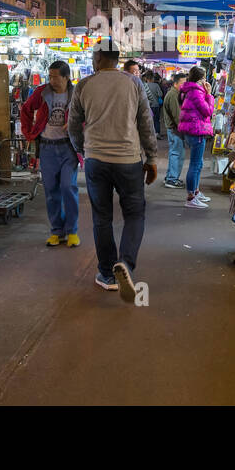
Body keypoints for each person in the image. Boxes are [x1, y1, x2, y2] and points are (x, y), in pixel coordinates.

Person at [68, 41, 158, 302]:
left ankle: (107, 274)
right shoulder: (133, 83)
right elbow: (145, 122)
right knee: (134, 214)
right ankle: (126, 265)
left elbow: (73, 126)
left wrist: (84, 152)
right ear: (117, 59)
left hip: (96, 160)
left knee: (101, 217)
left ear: (98, 58)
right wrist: (151, 158)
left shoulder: (84, 85)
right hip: (128, 160)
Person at [20, 60, 79, 247]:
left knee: (68, 187)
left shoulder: (76, 94)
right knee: (51, 191)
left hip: (68, 148)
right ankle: (57, 231)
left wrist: (75, 124)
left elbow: (90, 115)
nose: (51, 80)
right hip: (46, 148)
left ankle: (72, 231)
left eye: (55, 76)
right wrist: (28, 132)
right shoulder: (42, 92)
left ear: (66, 76)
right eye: (50, 76)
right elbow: (26, 109)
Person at [177, 66, 215, 208]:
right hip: (196, 130)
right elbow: (207, 111)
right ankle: (191, 197)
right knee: (195, 164)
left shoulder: (189, 90)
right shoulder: (196, 92)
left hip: (193, 130)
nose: (206, 80)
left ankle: (196, 192)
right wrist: (209, 94)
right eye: (204, 78)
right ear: (200, 79)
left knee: (198, 164)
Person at [161, 73, 186, 188]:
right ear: (176, 83)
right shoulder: (173, 95)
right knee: (177, 153)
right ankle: (172, 179)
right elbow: (177, 116)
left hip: (174, 129)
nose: (185, 85)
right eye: (183, 83)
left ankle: (170, 177)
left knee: (175, 153)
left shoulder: (176, 94)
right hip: (175, 129)